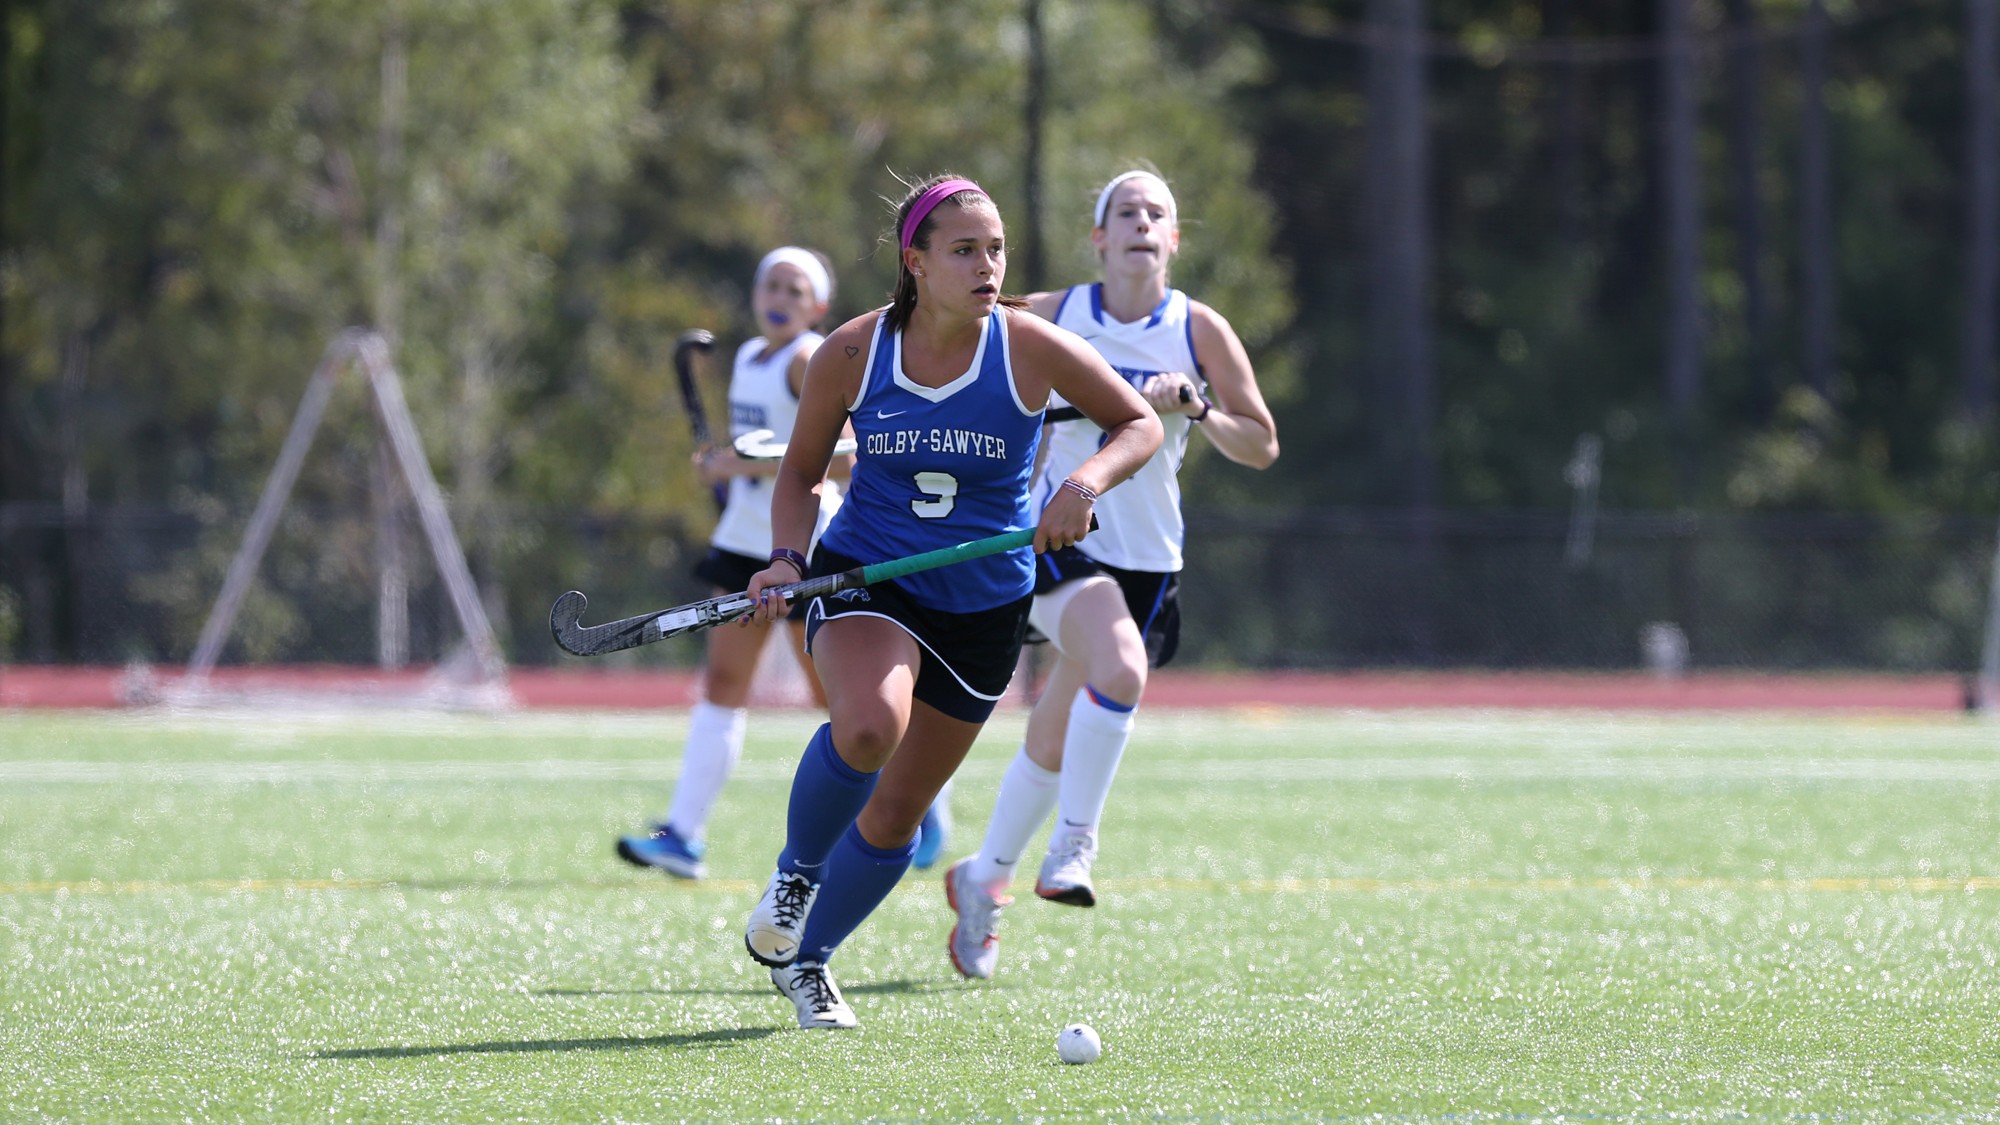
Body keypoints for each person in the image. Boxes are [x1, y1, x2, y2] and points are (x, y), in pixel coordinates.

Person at [735, 174, 1163, 1029]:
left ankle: (809, 961)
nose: (988, 265)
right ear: (917, 262)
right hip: (870, 579)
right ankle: (795, 872)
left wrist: (1081, 482)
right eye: (965, 249)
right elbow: (798, 473)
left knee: (897, 814)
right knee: (868, 727)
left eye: (996, 248)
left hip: (984, 607)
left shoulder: (1030, 347)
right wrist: (786, 558)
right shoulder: (855, 352)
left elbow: (1138, 425)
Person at [944, 169, 1280, 980]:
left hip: (1149, 559)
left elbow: (1261, 443)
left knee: (1057, 731)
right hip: (1062, 534)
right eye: (1124, 212)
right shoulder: (1055, 314)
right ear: (1099, 238)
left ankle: (982, 877)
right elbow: (962, 361)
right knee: (1121, 668)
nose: (1140, 222)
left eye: (1155, 212)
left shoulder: (1200, 328)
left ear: (1171, 239)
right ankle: (1073, 849)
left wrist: (1195, 407)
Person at [615, 246, 851, 880]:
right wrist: (723, 468)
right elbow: (757, 450)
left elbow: (848, 457)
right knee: (723, 686)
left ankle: (911, 805)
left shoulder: (810, 360)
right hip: (744, 538)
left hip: (803, 545)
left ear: (818, 306)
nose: (780, 298)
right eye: (771, 285)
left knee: (834, 698)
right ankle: (684, 836)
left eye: (795, 290)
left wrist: (738, 464)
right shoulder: (749, 357)